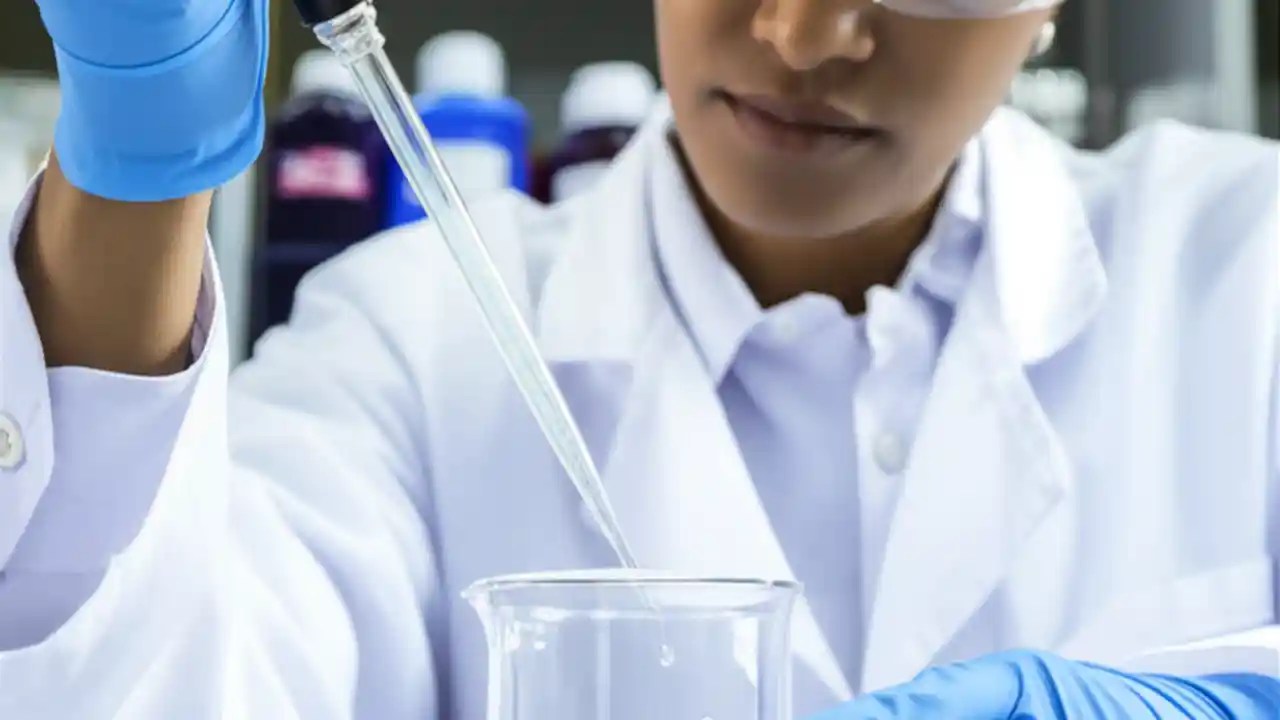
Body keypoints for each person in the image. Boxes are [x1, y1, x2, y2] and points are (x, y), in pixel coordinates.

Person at [2, 0, 1278, 716]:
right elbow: (138, 683)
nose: (804, 29)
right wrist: (139, 165)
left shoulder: (1243, 268)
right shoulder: (410, 335)